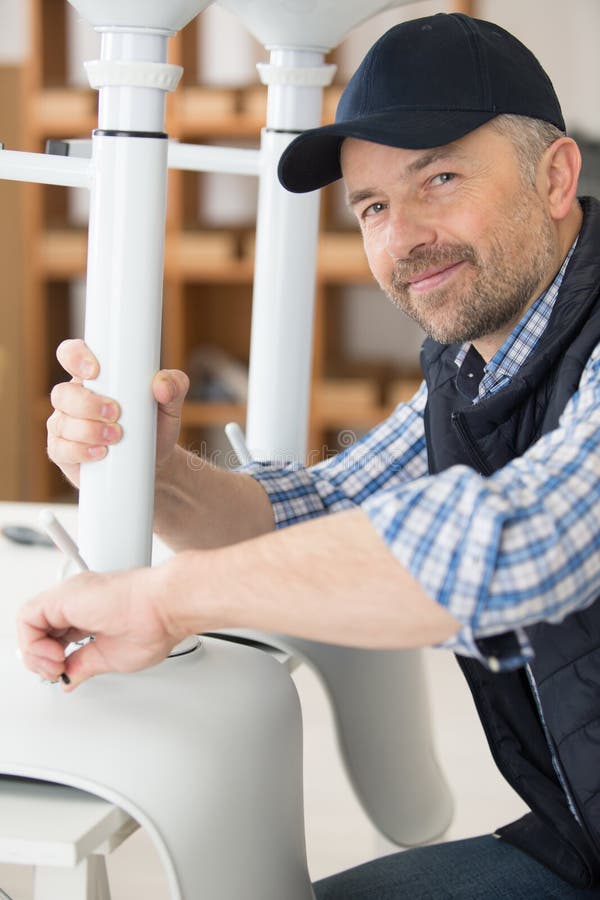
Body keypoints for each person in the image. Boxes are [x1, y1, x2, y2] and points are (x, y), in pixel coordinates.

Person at [16, 10, 600, 897]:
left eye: (438, 178)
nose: (402, 240)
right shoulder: (473, 367)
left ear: (555, 176)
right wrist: (159, 471)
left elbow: (516, 545)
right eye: (373, 207)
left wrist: (163, 601)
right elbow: (307, 511)